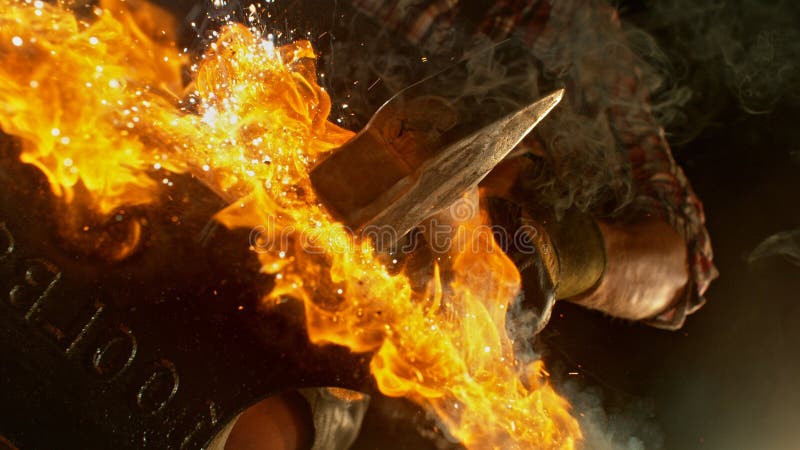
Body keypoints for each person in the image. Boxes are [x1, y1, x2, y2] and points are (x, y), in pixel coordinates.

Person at [203, 0, 718, 448]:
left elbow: (683, 266)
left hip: (333, 320)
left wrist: (547, 251)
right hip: (201, 187)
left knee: (257, 416)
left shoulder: (564, 23)